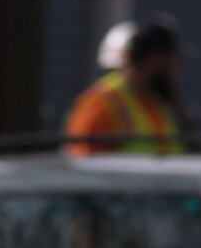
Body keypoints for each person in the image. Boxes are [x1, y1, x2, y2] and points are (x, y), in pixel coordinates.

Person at [64, 15, 185, 152]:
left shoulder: (157, 104)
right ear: (154, 59)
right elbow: (82, 162)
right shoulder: (101, 103)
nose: (176, 68)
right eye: (172, 60)